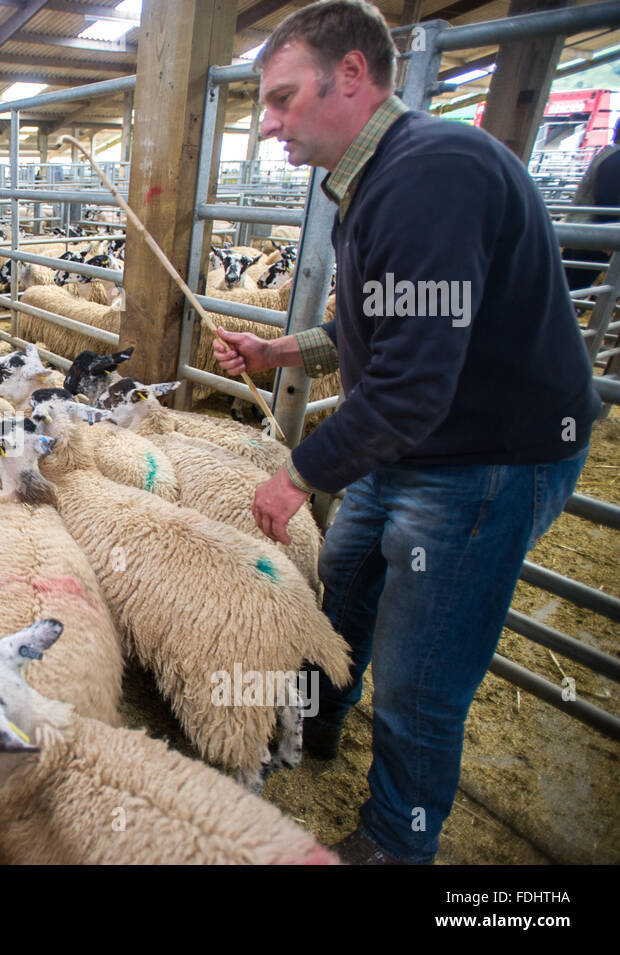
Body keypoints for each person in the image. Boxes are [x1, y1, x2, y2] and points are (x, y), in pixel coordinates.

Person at [212, 0, 600, 865]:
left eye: (280, 98)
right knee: (344, 581)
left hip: (485, 457)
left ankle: (394, 842)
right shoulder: (376, 179)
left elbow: (417, 380)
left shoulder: (431, 173)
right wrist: (281, 345)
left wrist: (299, 471)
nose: (268, 123)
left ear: (350, 76)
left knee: (420, 673)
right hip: (409, 438)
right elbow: (383, 324)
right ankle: (314, 726)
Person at [563, 117, 620, 288]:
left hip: (583, 228)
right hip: (593, 233)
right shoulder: (615, 160)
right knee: (576, 284)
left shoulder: (610, 154)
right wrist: (608, 234)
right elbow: (606, 197)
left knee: (569, 282)